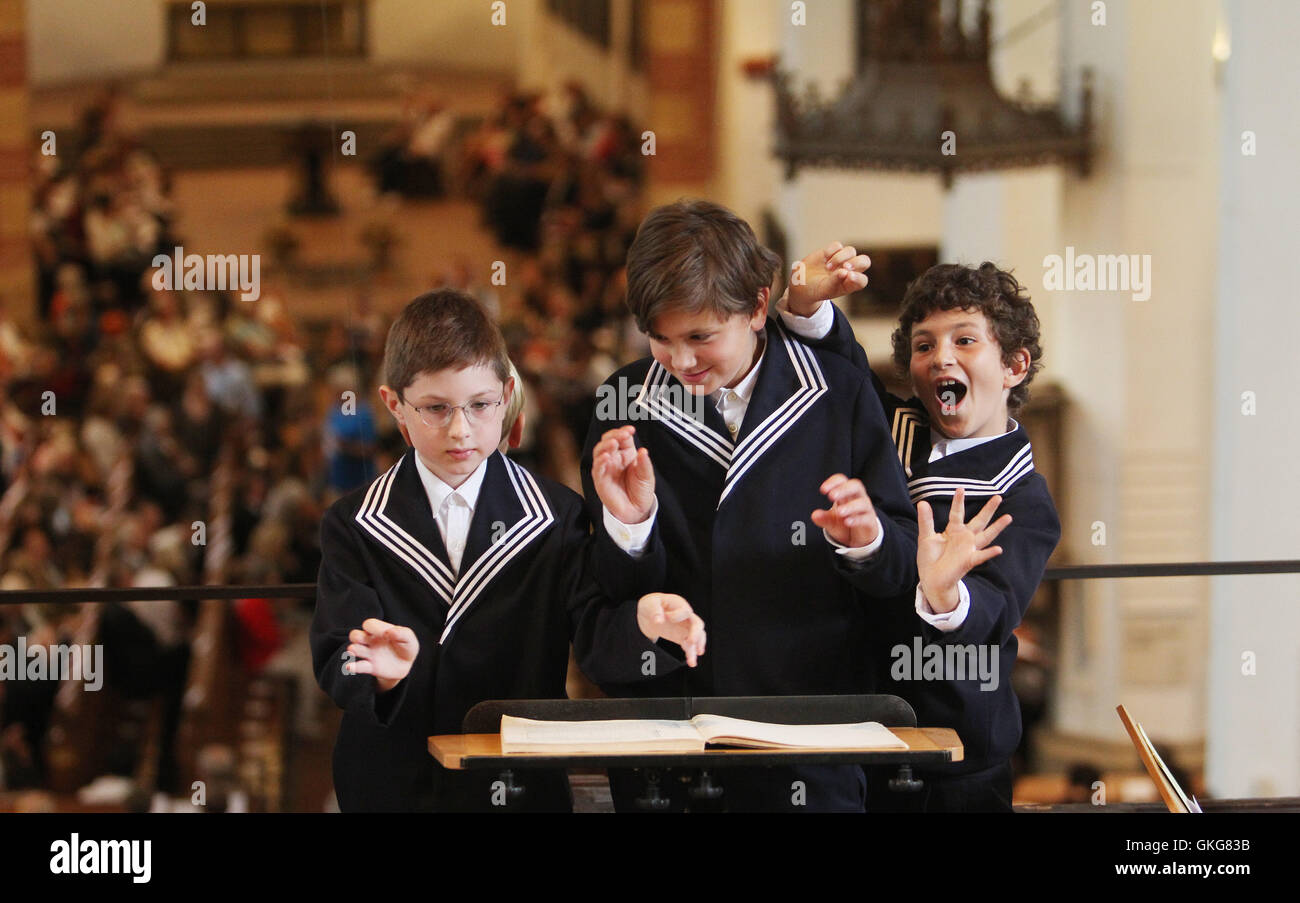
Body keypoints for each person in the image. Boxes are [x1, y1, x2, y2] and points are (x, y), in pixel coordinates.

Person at [582, 201, 919, 812]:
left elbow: (902, 563)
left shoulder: (839, 392)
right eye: (661, 339)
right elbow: (606, 593)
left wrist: (866, 539)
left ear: (759, 307)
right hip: (672, 741)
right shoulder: (622, 400)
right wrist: (630, 526)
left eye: (701, 337)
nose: (681, 362)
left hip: (811, 734)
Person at [311, 290, 704, 812]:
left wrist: (644, 625)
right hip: (393, 783)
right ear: (394, 405)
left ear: (507, 392)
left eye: (480, 405)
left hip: (518, 782)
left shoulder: (555, 514)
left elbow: (593, 635)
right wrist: (377, 673)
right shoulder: (354, 521)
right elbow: (335, 649)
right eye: (435, 408)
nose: (460, 429)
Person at [783, 250, 1061, 812]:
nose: (941, 358)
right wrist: (806, 302)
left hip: (956, 749)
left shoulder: (1023, 495)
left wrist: (946, 592)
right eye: (924, 345)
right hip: (862, 724)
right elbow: (843, 365)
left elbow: (995, 608)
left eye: (965, 341)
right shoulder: (891, 427)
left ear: (1014, 366)